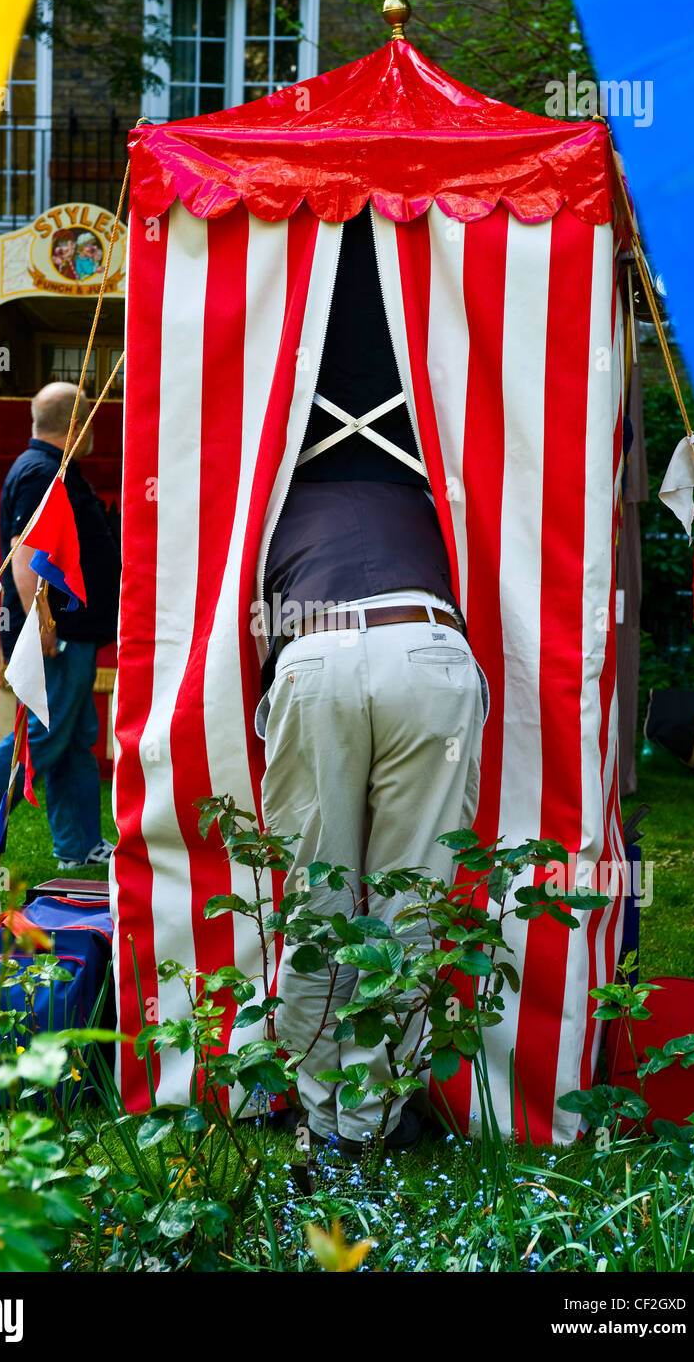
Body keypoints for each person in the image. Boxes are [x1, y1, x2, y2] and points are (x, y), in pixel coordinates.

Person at [254, 210, 488, 1156]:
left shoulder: (260, 491)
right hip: (426, 648)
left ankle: (315, 1119)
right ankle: (373, 1121)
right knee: (407, 901)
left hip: (313, 649)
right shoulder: (438, 485)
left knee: (317, 896)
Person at [0, 382, 121, 876]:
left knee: (76, 734)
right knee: (43, 736)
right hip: (56, 631)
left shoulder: (52, 470)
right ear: (75, 425)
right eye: (90, 419)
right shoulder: (40, 472)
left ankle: (78, 844)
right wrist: (42, 621)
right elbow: (28, 551)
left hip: (71, 629)